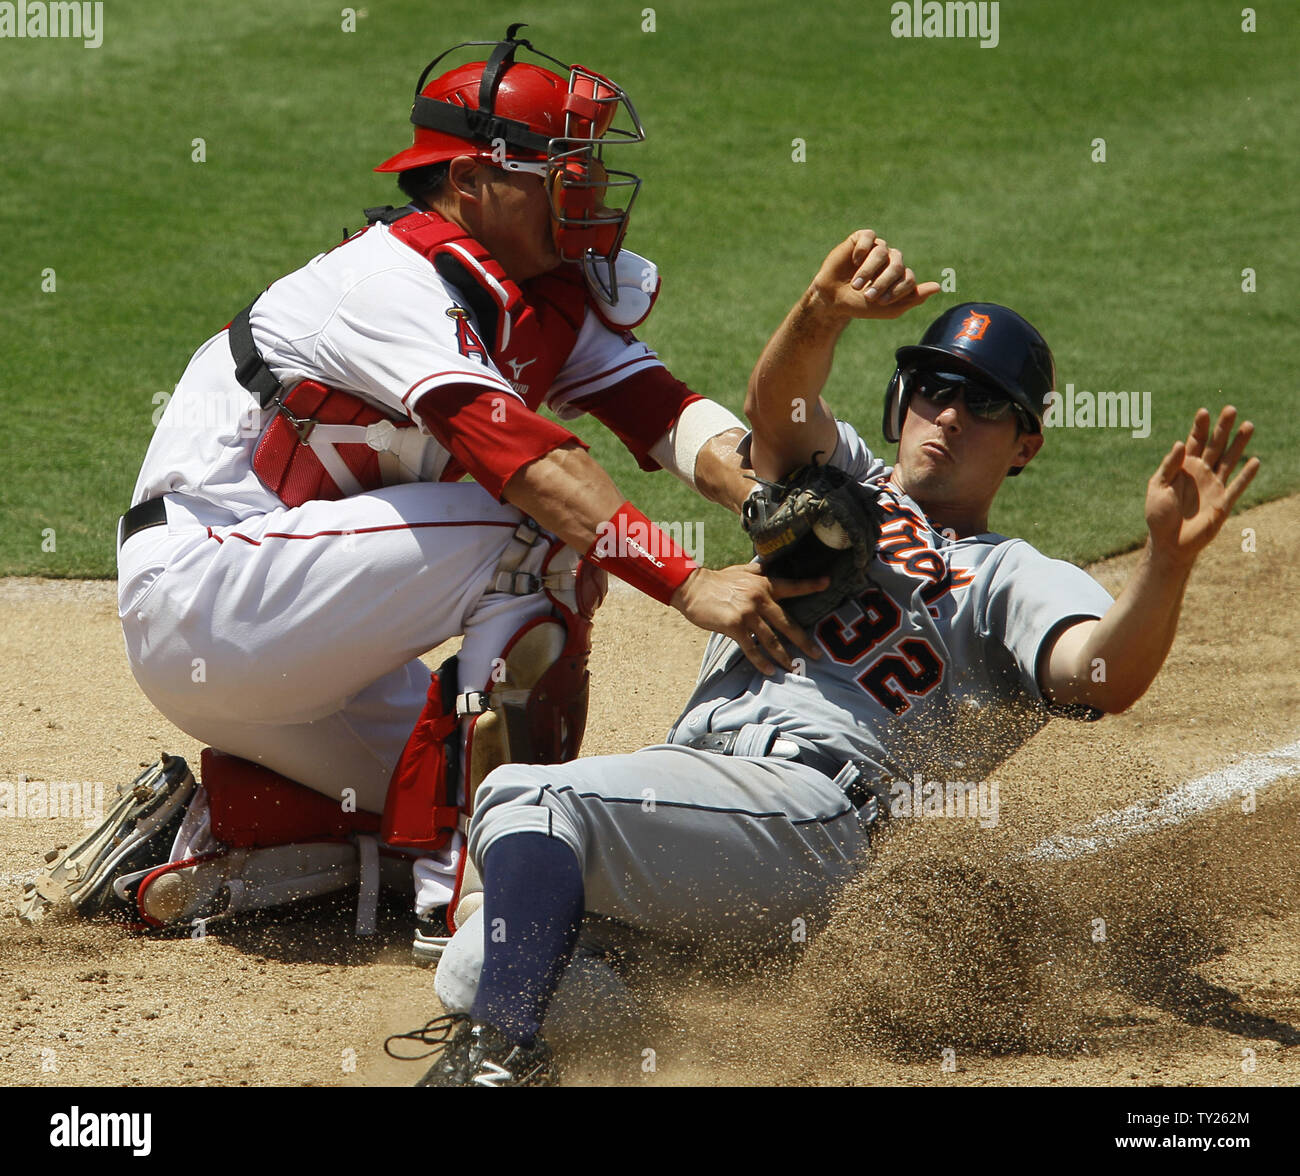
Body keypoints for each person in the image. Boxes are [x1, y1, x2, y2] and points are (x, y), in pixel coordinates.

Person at [401, 228, 1261, 1086]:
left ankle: (498, 1065)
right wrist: (821, 311)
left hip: (817, 818)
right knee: (477, 965)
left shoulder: (1011, 574)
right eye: (934, 388)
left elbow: (1102, 675)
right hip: (701, 808)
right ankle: (694, 1035)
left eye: (986, 404)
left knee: (528, 796)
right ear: (902, 401)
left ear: (1027, 443)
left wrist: (1166, 562)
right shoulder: (844, 480)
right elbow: (778, 411)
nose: (951, 414)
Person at [45, 27, 827, 954]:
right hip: (208, 593)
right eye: (559, 169)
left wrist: (769, 500)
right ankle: (461, 898)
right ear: (471, 182)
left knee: (470, 798)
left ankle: (193, 835)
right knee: (537, 529)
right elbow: (532, 465)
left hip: (299, 651)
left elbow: (666, 412)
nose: (585, 189)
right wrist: (690, 585)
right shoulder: (388, 282)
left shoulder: (534, 291)